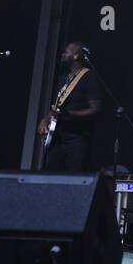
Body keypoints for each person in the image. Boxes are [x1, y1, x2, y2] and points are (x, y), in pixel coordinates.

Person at [38, 42, 103, 173]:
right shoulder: (64, 78)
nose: (62, 54)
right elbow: (56, 107)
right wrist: (45, 119)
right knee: (50, 172)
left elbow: (96, 109)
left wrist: (72, 114)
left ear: (75, 56)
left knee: (73, 176)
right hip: (58, 136)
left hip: (77, 138)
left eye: (66, 52)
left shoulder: (89, 77)